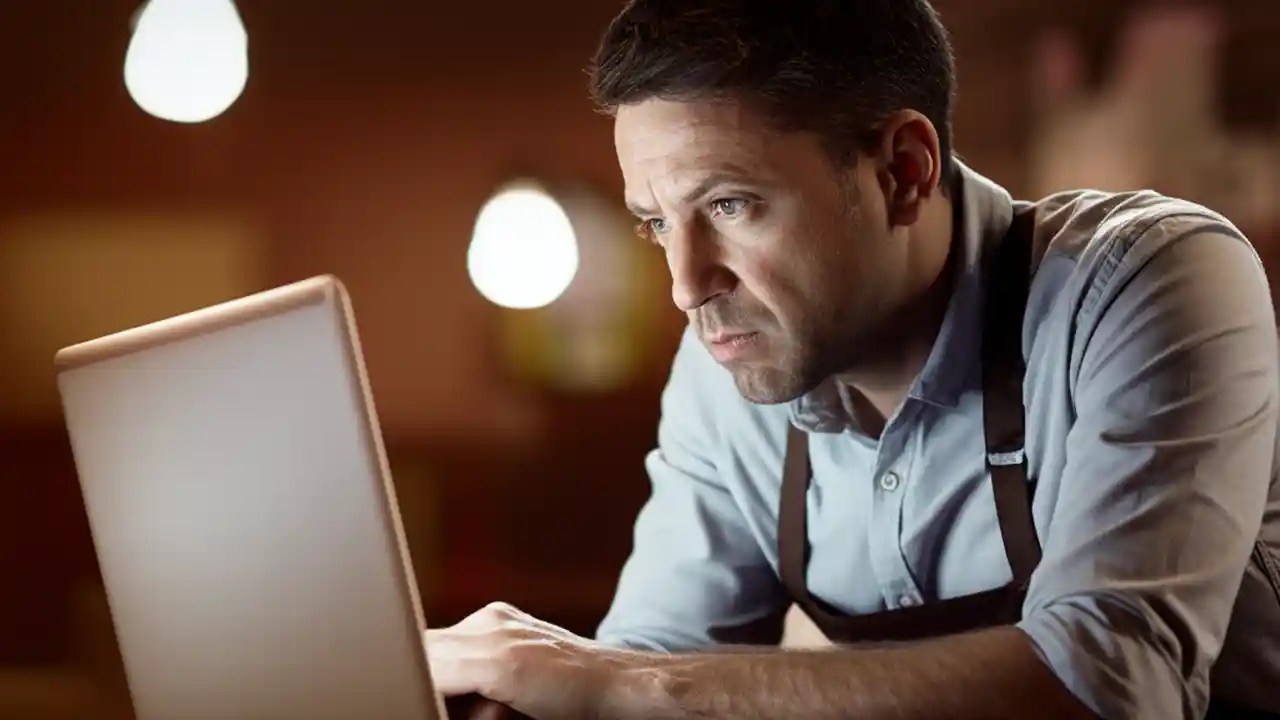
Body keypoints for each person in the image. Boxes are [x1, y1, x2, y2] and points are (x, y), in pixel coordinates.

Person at [427, 1, 1280, 718]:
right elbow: (654, 654)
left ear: (903, 171)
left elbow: (1115, 680)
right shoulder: (726, 368)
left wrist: (624, 686)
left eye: (730, 205)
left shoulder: (1148, 281)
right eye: (656, 222)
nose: (686, 286)